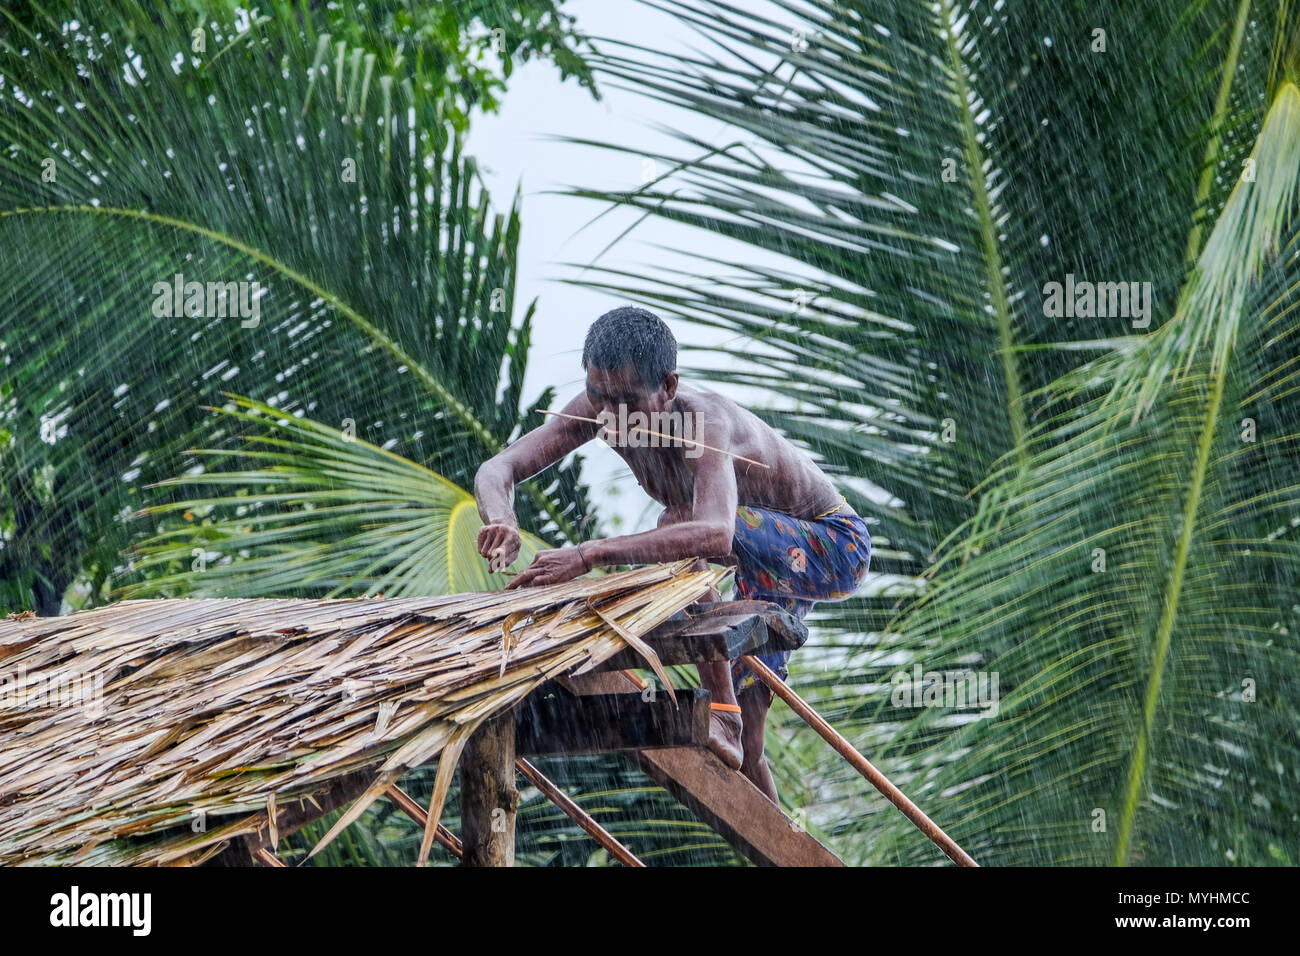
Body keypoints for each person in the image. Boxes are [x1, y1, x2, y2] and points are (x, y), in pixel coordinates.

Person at [473, 306, 871, 802]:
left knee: (680, 523)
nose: (611, 417)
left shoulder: (707, 426)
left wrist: (588, 554)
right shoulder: (595, 409)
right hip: (764, 570)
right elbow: (498, 468)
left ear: (668, 386)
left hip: (832, 545)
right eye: (599, 396)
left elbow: (714, 534)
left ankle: (719, 712)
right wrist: (500, 520)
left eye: (626, 401)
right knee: (752, 746)